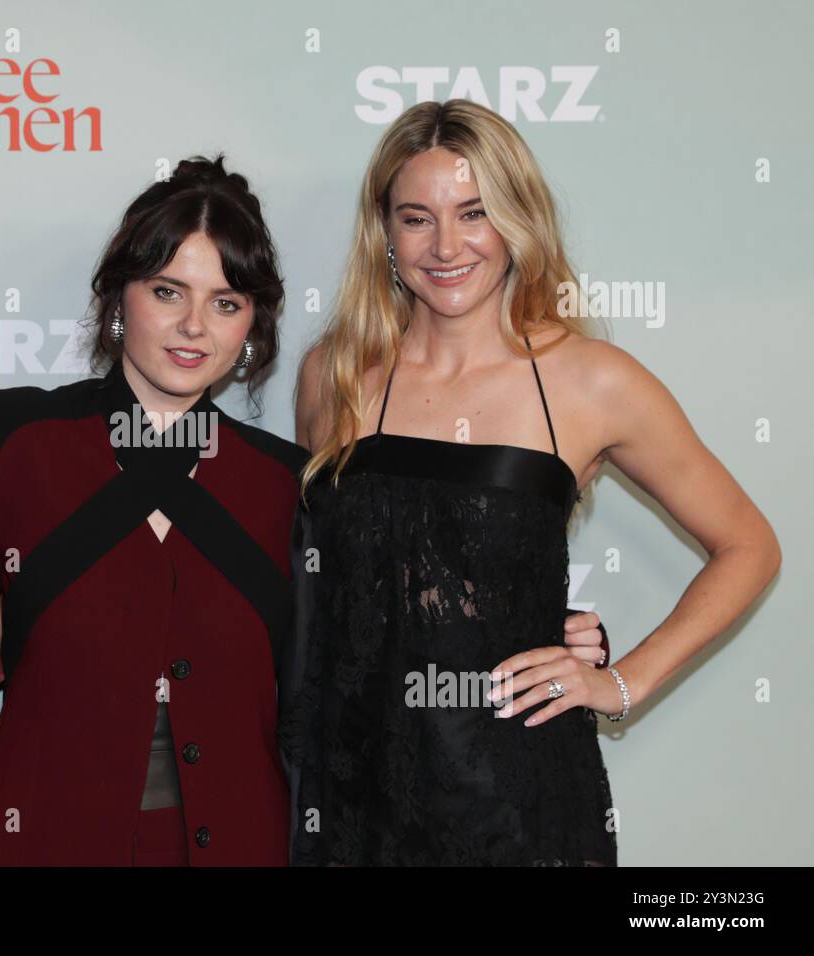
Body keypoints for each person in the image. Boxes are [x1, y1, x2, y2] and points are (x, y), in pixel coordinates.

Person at [0, 155, 607, 866]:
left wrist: (534, 626)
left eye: (227, 302)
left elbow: (366, 630)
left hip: (243, 844)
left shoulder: (283, 484)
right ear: (119, 299)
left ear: (253, 329)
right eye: (167, 291)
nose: (193, 327)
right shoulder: (4, 442)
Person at [283, 99, 781, 865]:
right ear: (384, 231)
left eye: (474, 213)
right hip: (350, 796)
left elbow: (749, 546)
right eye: (417, 217)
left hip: (514, 803)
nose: (446, 245)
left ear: (516, 219)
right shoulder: (335, 375)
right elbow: (330, 587)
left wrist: (619, 682)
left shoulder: (590, 381)